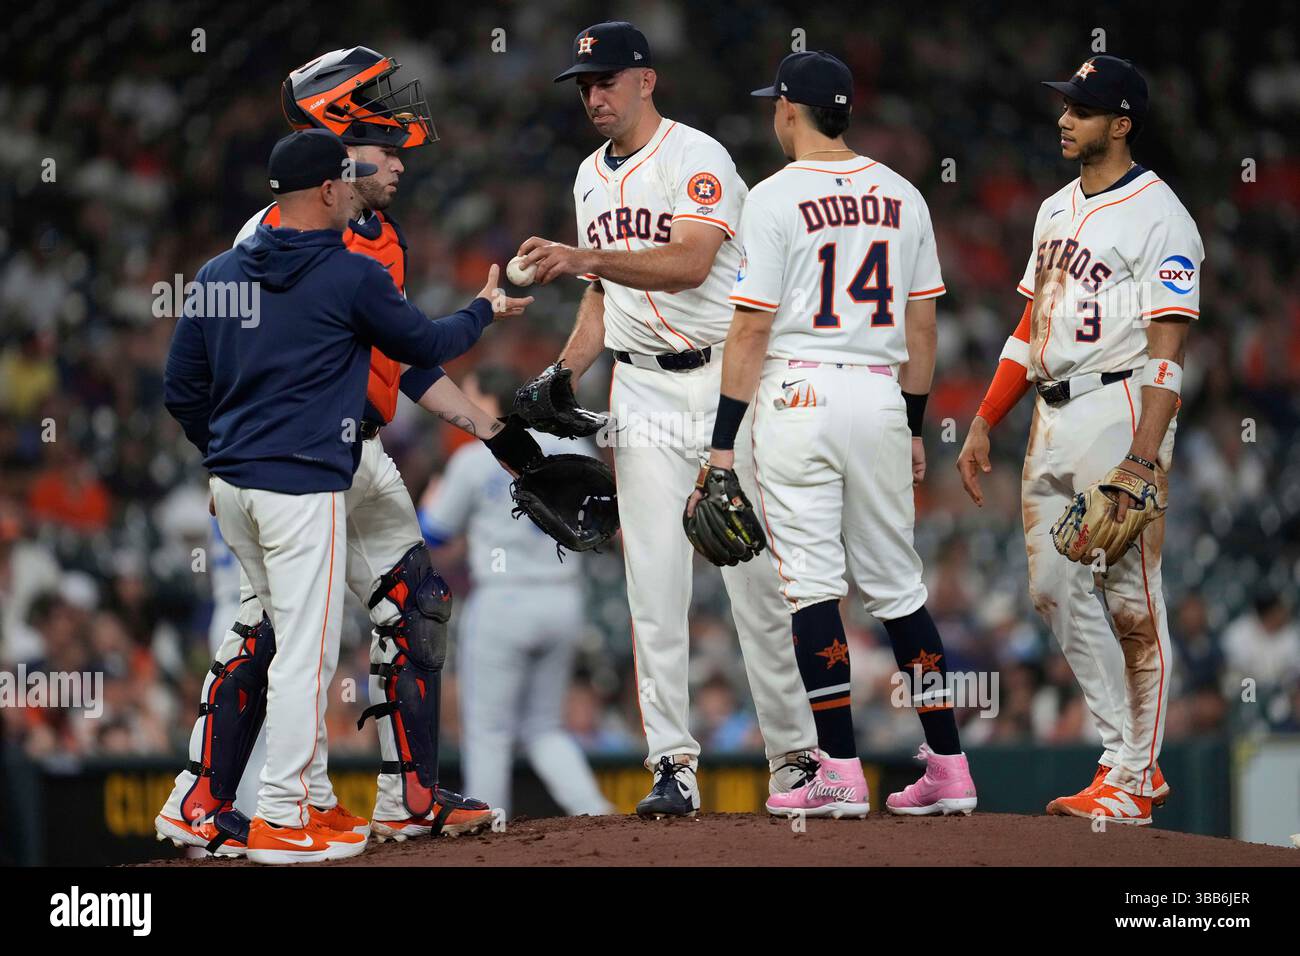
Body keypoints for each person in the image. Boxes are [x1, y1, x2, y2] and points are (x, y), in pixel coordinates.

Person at [156, 48, 541, 853]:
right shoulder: (274, 236)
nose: (399, 154)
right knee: (281, 629)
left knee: (413, 603)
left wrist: (489, 429)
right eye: (383, 144)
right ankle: (215, 797)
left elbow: (403, 356)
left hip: (342, 453)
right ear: (337, 161)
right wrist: (241, 450)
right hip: (295, 463)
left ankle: (404, 798)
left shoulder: (373, 237)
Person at [516, 20, 818, 817]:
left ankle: (794, 759)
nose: (594, 94)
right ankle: (672, 765)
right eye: (585, 84)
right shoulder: (588, 177)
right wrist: (563, 372)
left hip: (727, 377)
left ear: (647, 80)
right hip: (641, 390)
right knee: (652, 583)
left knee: (753, 572)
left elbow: (688, 262)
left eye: (607, 80)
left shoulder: (697, 156)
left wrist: (582, 258)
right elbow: (600, 294)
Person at [690, 51, 977, 819]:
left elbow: (750, 328)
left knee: (814, 587)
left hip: (800, 393)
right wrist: (913, 425)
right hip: (881, 393)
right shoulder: (905, 194)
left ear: (789, 110)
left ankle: (840, 771)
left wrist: (722, 447)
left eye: (774, 105)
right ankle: (949, 765)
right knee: (899, 589)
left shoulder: (775, 197)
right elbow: (922, 323)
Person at [957, 55, 1203, 825]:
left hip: (1121, 403)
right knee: (1054, 589)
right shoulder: (1055, 209)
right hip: (1052, 411)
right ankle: (1121, 754)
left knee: (1131, 597)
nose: (1064, 118)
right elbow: (1029, 326)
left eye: (1082, 108)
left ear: (1121, 124)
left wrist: (1144, 454)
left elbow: (1169, 347)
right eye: (1064, 105)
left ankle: (1134, 774)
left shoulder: (1163, 214)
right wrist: (984, 418)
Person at [419, 365, 613, 818]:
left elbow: (436, 532)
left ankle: (491, 824)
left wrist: (428, 506)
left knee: (489, 732)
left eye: (469, 395)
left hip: (503, 601)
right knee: (545, 727)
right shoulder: (573, 445)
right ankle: (598, 813)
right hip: (563, 596)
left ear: (488, 403)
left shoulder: (473, 459)